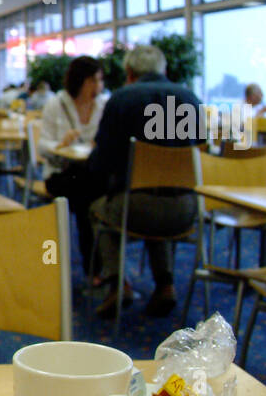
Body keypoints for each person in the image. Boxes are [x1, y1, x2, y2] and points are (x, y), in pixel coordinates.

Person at [85, 45, 202, 318]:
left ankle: (118, 284)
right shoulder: (190, 98)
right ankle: (166, 285)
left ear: (129, 72)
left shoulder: (122, 99)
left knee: (99, 211)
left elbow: (102, 163)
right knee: (156, 204)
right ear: (164, 70)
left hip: (136, 208)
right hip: (186, 210)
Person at [35, 56, 107, 275]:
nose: (98, 86)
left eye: (100, 80)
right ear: (79, 81)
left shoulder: (103, 106)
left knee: (90, 193)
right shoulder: (56, 104)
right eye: (93, 81)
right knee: (87, 197)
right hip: (60, 174)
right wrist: (60, 144)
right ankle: (96, 269)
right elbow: (41, 147)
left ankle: (100, 269)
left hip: (91, 174)